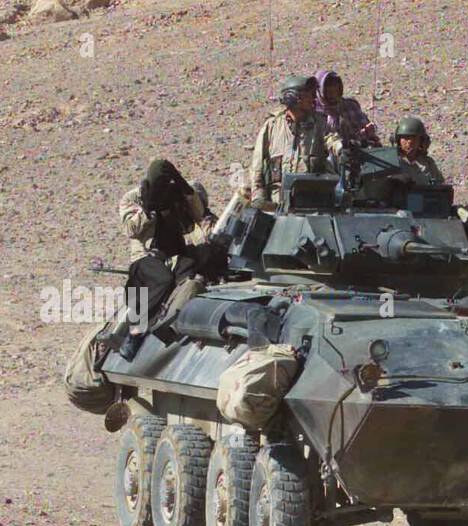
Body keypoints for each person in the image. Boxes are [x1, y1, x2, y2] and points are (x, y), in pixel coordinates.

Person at [116, 159, 225, 356]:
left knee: (199, 267)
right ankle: (135, 332)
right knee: (162, 280)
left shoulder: (175, 192)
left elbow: (199, 214)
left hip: (174, 254)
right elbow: (130, 229)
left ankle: (181, 318)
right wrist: (148, 209)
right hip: (146, 256)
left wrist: (184, 189)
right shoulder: (133, 198)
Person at [249, 74, 327, 210]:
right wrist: (259, 197)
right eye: (309, 95)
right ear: (292, 98)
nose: (314, 98)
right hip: (277, 205)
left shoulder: (320, 124)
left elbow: (332, 140)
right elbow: (257, 166)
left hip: (312, 205)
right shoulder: (272, 126)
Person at [313, 69, 379, 157]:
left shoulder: (350, 106)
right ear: (320, 91)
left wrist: (367, 132)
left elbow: (363, 130)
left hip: (360, 153)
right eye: (329, 92)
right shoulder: (315, 113)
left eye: (336, 90)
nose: (333, 95)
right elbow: (323, 141)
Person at [391, 116, 444, 184]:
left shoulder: (428, 163)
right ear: (398, 140)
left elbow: (440, 185)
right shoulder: (392, 162)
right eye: (406, 137)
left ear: (421, 141)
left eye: (414, 138)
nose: (409, 142)